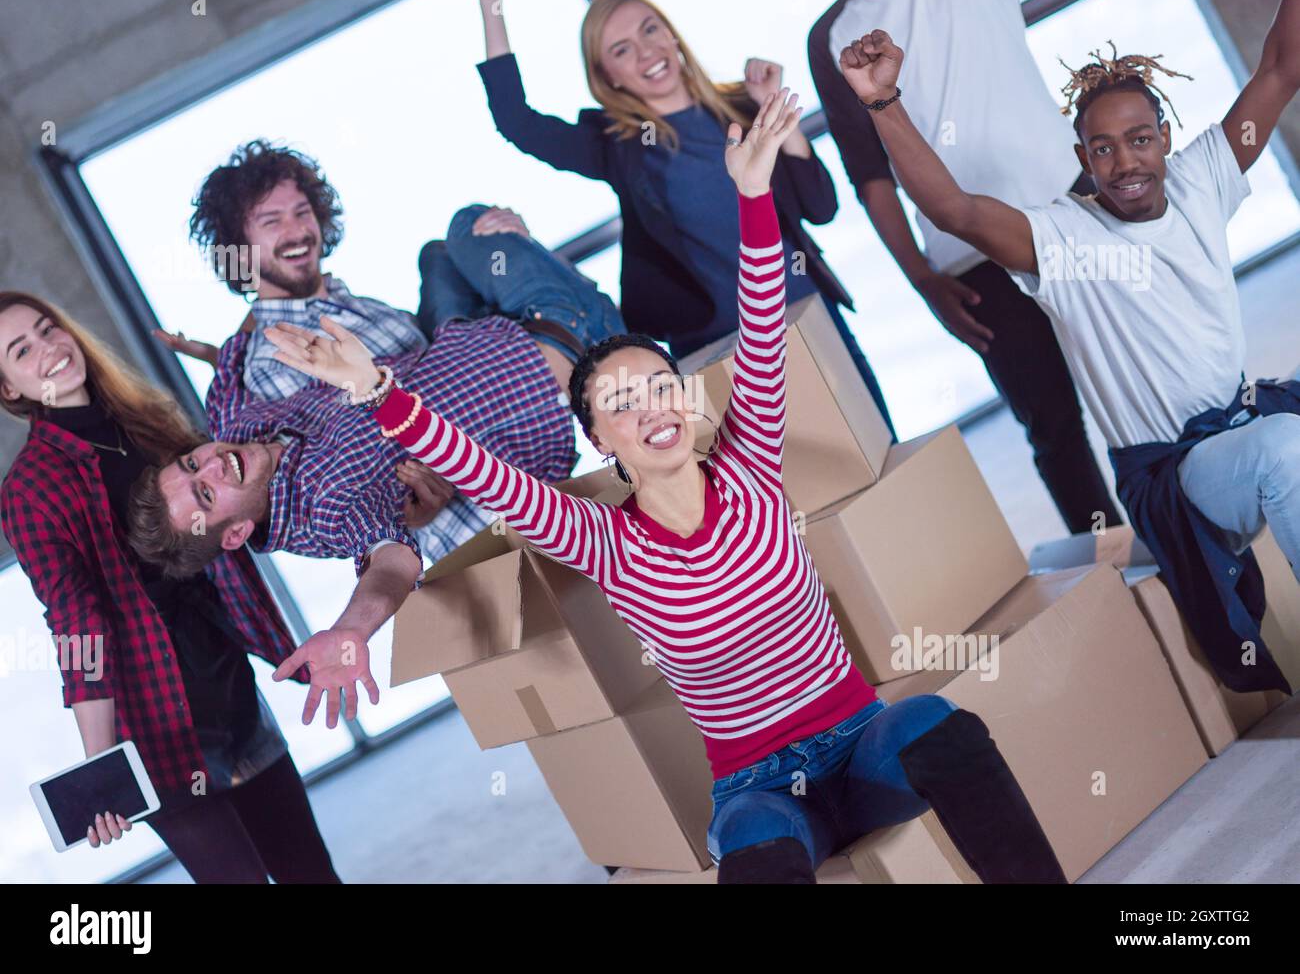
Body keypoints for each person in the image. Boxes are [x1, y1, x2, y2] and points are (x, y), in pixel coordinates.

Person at [264, 90, 1065, 885]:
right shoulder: (602, 541)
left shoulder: (750, 462)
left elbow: (759, 322)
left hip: (862, 743)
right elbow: (479, 469)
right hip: (758, 787)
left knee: (937, 723)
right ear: (601, 440)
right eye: (620, 402)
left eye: (659, 386)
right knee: (756, 850)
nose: (648, 406)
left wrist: (752, 193)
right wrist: (376, 391)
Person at [836, 0, 1300, 694]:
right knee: (1285, 448)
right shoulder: (1058, 241)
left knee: (1281, 438)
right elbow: (953, 210)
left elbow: (1282, 68)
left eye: (1141, 139)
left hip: (1241, 429)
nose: (1126, 162)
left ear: (1165, 136)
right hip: (1178, 476)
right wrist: (884, 105)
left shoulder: (1203, 178)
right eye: (1104, 148)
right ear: (1081, 156)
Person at [466, 0, 897, 437]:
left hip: (807, 316)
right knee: (780, 495)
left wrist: (773, 110)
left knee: (874, 446)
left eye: (650, 30)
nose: (646, 51)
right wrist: (491, 0)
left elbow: (821, 208)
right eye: (621, 49)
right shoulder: (620, 145)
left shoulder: (740, 103)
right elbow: (517, 122)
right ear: (608, 75)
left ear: (671, 34)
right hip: (717, 346)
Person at [0, 292, 339, 883]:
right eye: (20, 349)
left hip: (231, 689)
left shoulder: (145, 417)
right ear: (7, 388)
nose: (49, 348)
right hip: (157, 731)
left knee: (312, 874)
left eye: (48, 328)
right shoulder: (30, 489)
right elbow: (76, 620)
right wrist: (101, 761)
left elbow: (239, 505)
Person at [126, 296, 582, 727]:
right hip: (567, 371)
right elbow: (390, 561)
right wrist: (351, 630)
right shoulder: (326, 510)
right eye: (205, 494)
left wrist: (206, 348)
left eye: (190, 463)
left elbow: (236, 350)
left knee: (445, 248)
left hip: (489, 322)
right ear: (235, 534)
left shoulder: (235, 424)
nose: (211, 465)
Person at [808, 0, 1121, 534]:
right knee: (1053, 427)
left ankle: (1201, 545)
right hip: (969, 258)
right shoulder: (831, 35)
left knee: (1143, 380)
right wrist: (922, 277)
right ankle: (1114, 568)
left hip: (1075, 208)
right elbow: (869, 173)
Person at [159, 140, 625, 557]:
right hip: (527, 412)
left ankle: (551, 293)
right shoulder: (280, 357)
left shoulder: (344, 303)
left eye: (302, 212)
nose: (297, 230)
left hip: (494, 355)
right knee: (468, 229)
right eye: (272, 221)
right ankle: (588, 330)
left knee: (441, 254)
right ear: (240, 248)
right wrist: (410, 515)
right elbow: (361, 466)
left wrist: (510, 247)